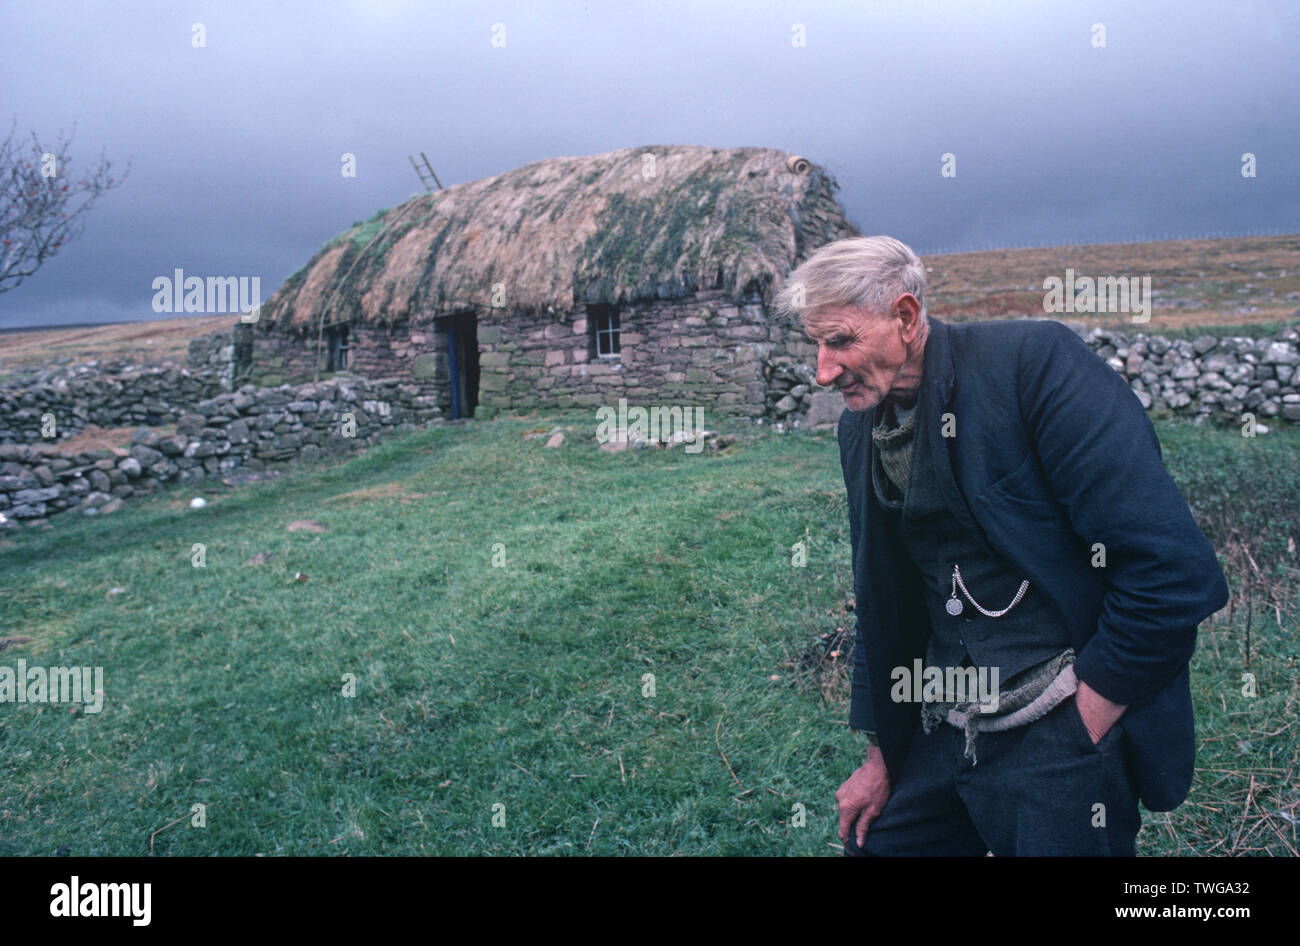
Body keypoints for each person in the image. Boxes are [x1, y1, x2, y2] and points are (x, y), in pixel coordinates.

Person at [776, 236, 1229, 856]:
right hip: (944, 715)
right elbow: (884, 596)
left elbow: (1171, 571)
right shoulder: (862, 426)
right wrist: (881, 753)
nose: (823, 372)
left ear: (906, 318)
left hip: (1059, 716)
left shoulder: (1033, 367)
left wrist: (1083, 723)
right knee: (878, 845)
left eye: (841, 341)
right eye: (816, 344)